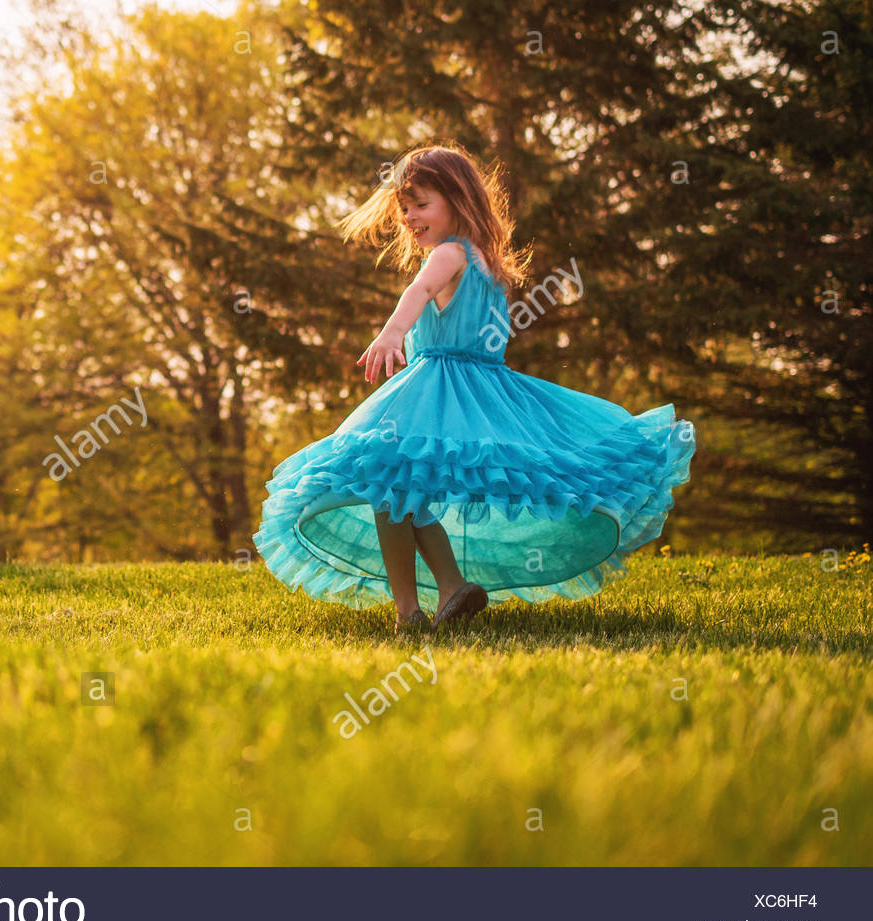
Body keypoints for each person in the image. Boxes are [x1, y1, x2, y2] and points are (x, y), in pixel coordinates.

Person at [252, 144, 696, 636]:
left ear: (458, 200)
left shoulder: (447, 254)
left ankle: (408, 612)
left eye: (421, 204)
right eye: (404, 208)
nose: (409, 217)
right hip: (481, 389)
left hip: (439, 387)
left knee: (386, 485)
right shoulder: (488, 264)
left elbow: (419, 290)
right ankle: (451, 588)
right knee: (401, 493)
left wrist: (393, 332)